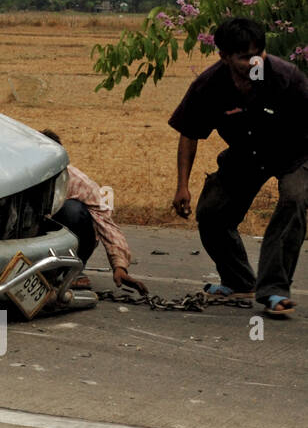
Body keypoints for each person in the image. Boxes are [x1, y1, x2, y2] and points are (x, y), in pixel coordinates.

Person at [169, 17, 308, 317]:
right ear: (224, 56)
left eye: (259, 53)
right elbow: (189, 134)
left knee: (294, 201)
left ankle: (274, 291)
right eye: (245, 57)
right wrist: (182, 185)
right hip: (247, 153)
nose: (254, 61)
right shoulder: (208, 86)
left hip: (295, 153)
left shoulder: (288, 78)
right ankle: (239, 281)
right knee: (211, 212)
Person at [41, 129, 148, 295]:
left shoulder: (79, 183)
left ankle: (70, 268)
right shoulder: (17, 178)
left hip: (62, 236)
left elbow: (107, 225)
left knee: (73, 211)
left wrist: (119, 267)